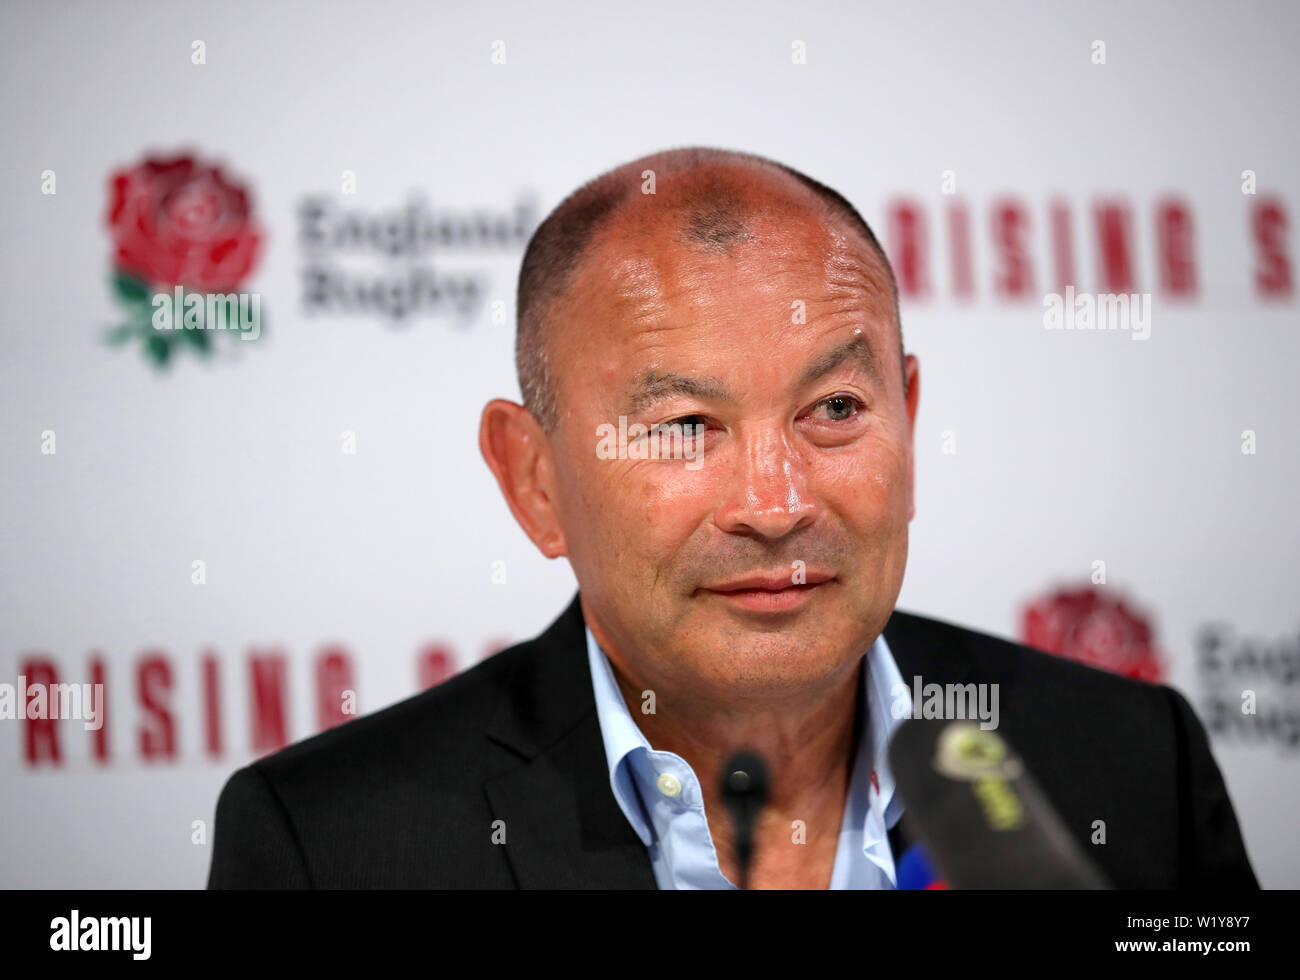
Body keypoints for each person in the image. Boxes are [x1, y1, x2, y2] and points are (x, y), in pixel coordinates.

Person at [208, 147, 1257, 889]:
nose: (776, 503)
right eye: (683, 427)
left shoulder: (1125, 763)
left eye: (834, 409)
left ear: (907, 416)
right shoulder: (335, 847)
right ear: (534, 480)